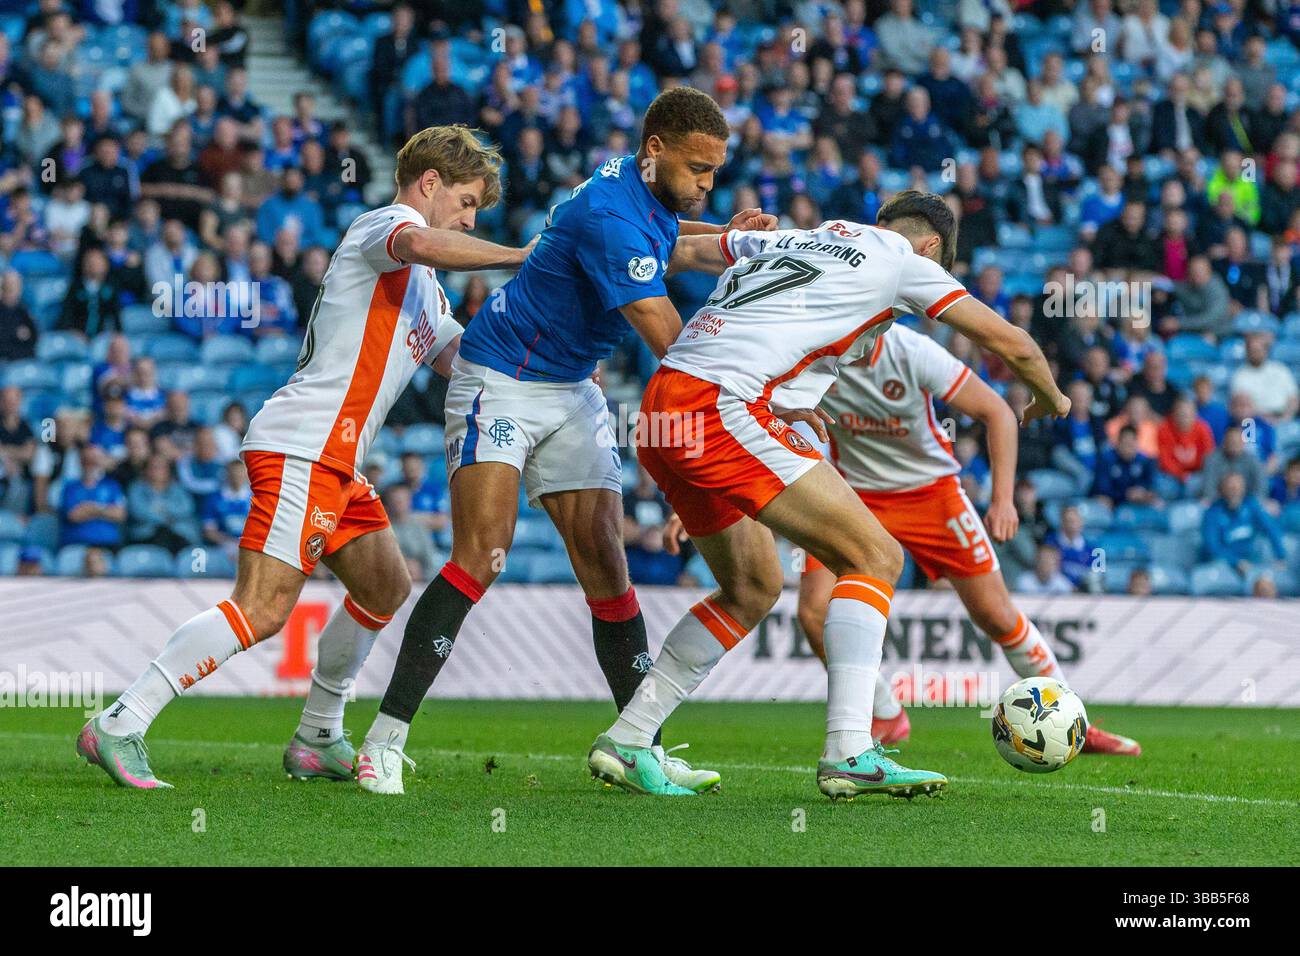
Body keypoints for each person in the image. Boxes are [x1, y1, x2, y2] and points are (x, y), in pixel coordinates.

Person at [78, 126, 532, 790]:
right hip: (303, 445)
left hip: (337, 460)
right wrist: (520, 253)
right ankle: (122, 721)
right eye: (465, 203)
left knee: (384, 585)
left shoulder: (426, 289)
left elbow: (461, 362)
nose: (469, 219)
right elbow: (419, 241)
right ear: (429, 183)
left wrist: (548, 368)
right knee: (262, 608)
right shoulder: (390, 225)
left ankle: (319, 734)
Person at [356, 87, 777, 796]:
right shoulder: (614, 216)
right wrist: (761, 399)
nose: (707, 182)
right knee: (481, 556)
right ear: (656, 152)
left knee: (609, 574)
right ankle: (384, 739)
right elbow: (672, 344)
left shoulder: (640, 195)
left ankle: (638, 744)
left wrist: (734, 240)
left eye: (714, 171)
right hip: (502, 379)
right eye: (699, 170)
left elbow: (680, 243)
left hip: (573, 387)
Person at [588, 190, 1071, 799]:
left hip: (666, 408)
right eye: (939, 268)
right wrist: (1052, 398)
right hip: (720, 409)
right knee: (876, 557)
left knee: (754, 586)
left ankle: (630, 736)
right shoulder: (903, 260)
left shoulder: (792, 236)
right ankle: (851, 750)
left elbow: (677, 252)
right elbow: (1016, 344)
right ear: (929, 250)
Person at [786, 325, 1137, 755]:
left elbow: (998, 412)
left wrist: (1004, 500)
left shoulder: (912, 352)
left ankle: (1070, 721)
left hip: (931, 493)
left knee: (995, 614)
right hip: (851, 493)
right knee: (813, 612)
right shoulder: (813, 353)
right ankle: (886, 714)